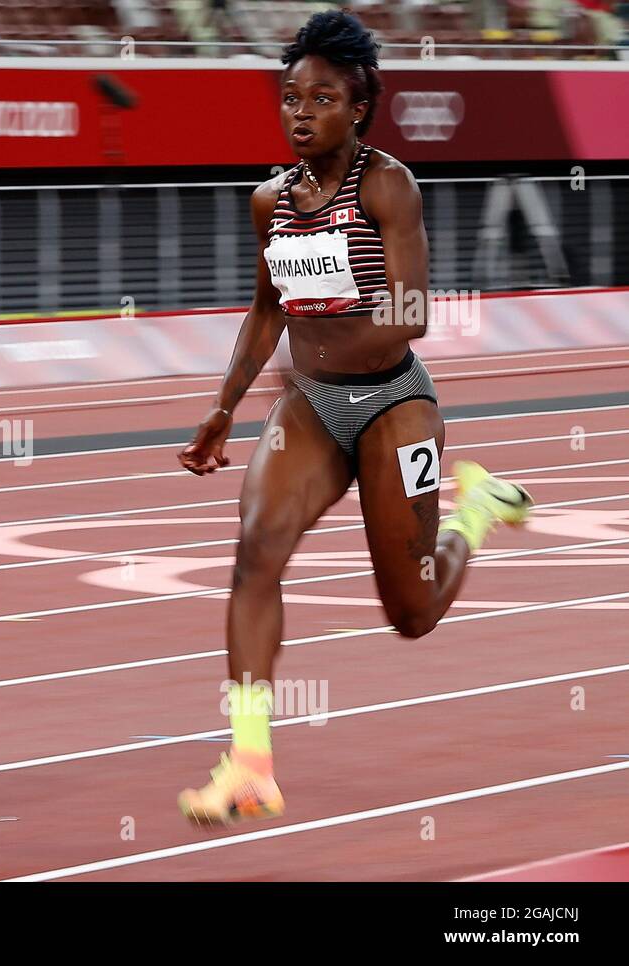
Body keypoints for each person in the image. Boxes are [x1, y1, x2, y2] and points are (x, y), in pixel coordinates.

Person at [175, 11, 532, 826]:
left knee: (409, 614)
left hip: (394, 404)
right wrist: (223, 407)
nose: (300, 112)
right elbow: (266, 312)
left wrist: (337, 346)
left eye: (322, 98)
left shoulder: (386, 184)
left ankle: (472, 509)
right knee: (255, 549)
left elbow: (410, 311)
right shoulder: (270, 201)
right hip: (311, 404)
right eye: (289, 97)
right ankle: (249, 763)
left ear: (359, 107)